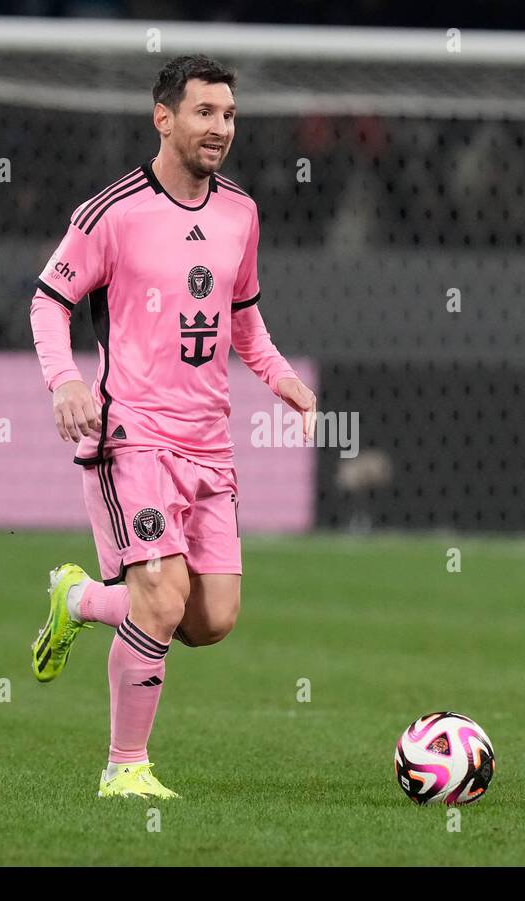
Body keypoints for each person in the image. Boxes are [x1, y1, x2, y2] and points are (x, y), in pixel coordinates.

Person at [26, 54, 316, 800]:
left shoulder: (241, 213)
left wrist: (280, 376)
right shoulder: (111, 212)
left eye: (228, 115)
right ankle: (126, 768)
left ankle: (81, 600)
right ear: (164, 118)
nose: (220, 128)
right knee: (159, 598)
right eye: (204, 113)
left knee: (210, 618)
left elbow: (242, 316)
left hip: (208, 443)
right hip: (132, 437)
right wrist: (64, 384)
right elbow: (48, 302)